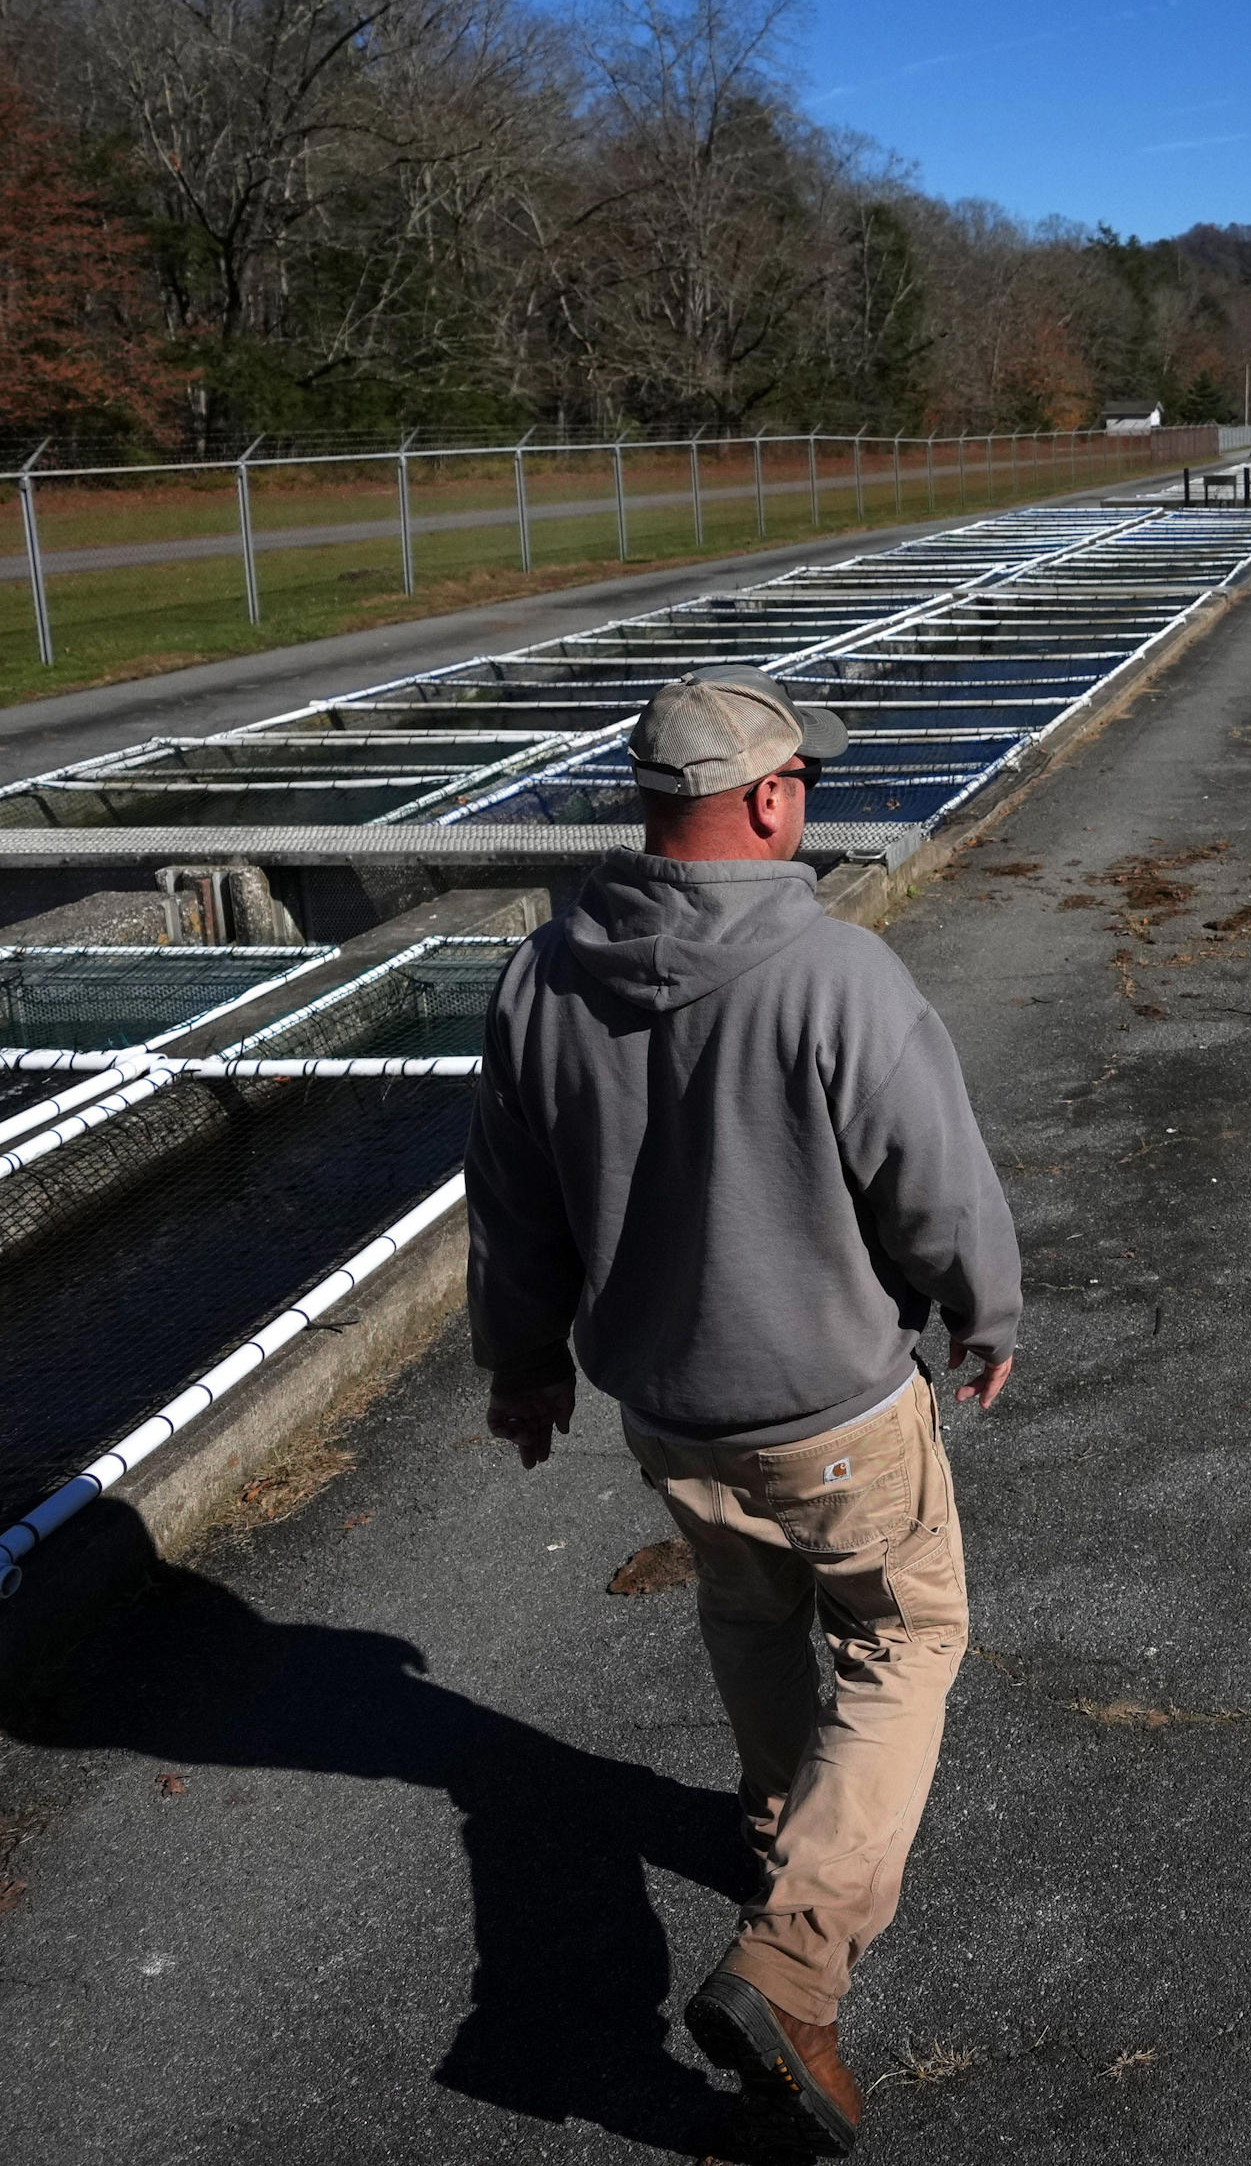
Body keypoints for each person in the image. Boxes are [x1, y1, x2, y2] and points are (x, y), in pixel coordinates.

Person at [464, 665, 1022, 2155]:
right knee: (906, 1638)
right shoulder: (832, 974)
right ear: (771, 797)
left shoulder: (540, 974)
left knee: (753, 1614)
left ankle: (782, 1830)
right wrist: (985, 1309)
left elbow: (510, 1209)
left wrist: (522, 1365)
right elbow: (936, 1179)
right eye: (807, 789)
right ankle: (796, 1957)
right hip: (828, 1400)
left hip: (667, 1407)